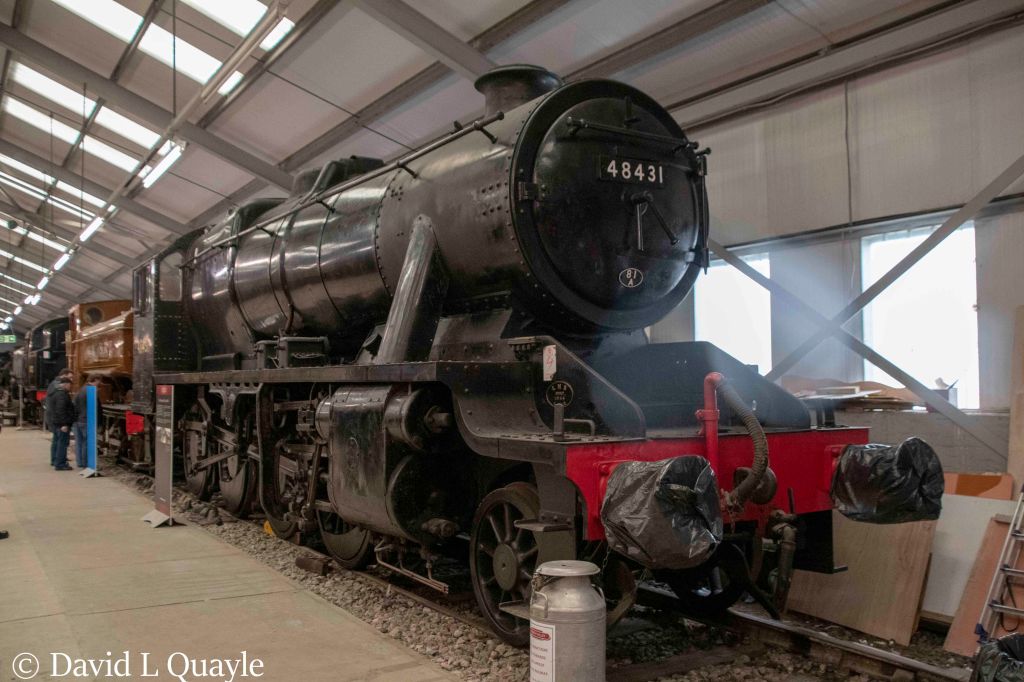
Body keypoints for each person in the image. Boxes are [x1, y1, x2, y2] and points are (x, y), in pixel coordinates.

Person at [46, 376, 75, 470]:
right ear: (66, 384)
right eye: (70, 385)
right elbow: (61, 410)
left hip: (56, 422)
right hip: (61, 423)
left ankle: (56, 461)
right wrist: (64, 424)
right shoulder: (62, 395)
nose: (70, 387)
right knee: (62, 444)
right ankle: (60, 464)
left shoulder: (55, 393)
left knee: (58, 442)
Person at [74, 375, 101, 469]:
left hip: (79, 419)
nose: (99, 385)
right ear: (95, 380)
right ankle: (86, 464)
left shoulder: (80, 390)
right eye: (98, 382)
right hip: (87, 420)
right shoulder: (91, 391)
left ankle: (80, 462)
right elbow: (96, 408)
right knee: (87, 443)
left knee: (79, 442)